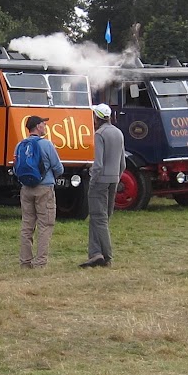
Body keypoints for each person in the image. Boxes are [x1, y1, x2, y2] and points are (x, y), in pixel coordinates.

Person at [81, 104, 125, 268]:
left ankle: (107, 256)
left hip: (100, 181)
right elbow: (123, 163)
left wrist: (92, 181)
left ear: (97, 117)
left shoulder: (100, 134)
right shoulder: (118, 132)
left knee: (98, 219)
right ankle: (95, 254)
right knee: (102, 217)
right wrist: (117, 178)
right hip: (114, 179)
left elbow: (98, 164)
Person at [17, 115, 64, 269]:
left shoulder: (20, 145)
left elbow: (15, 168)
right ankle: (40, 262)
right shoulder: (46, 144)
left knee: (27, 225)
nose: (45, 126)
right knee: (45, 225)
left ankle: (25, 262)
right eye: (43, 124)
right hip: (44, 188)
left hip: (26, 189)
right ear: (38, 126)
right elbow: (59, 168)